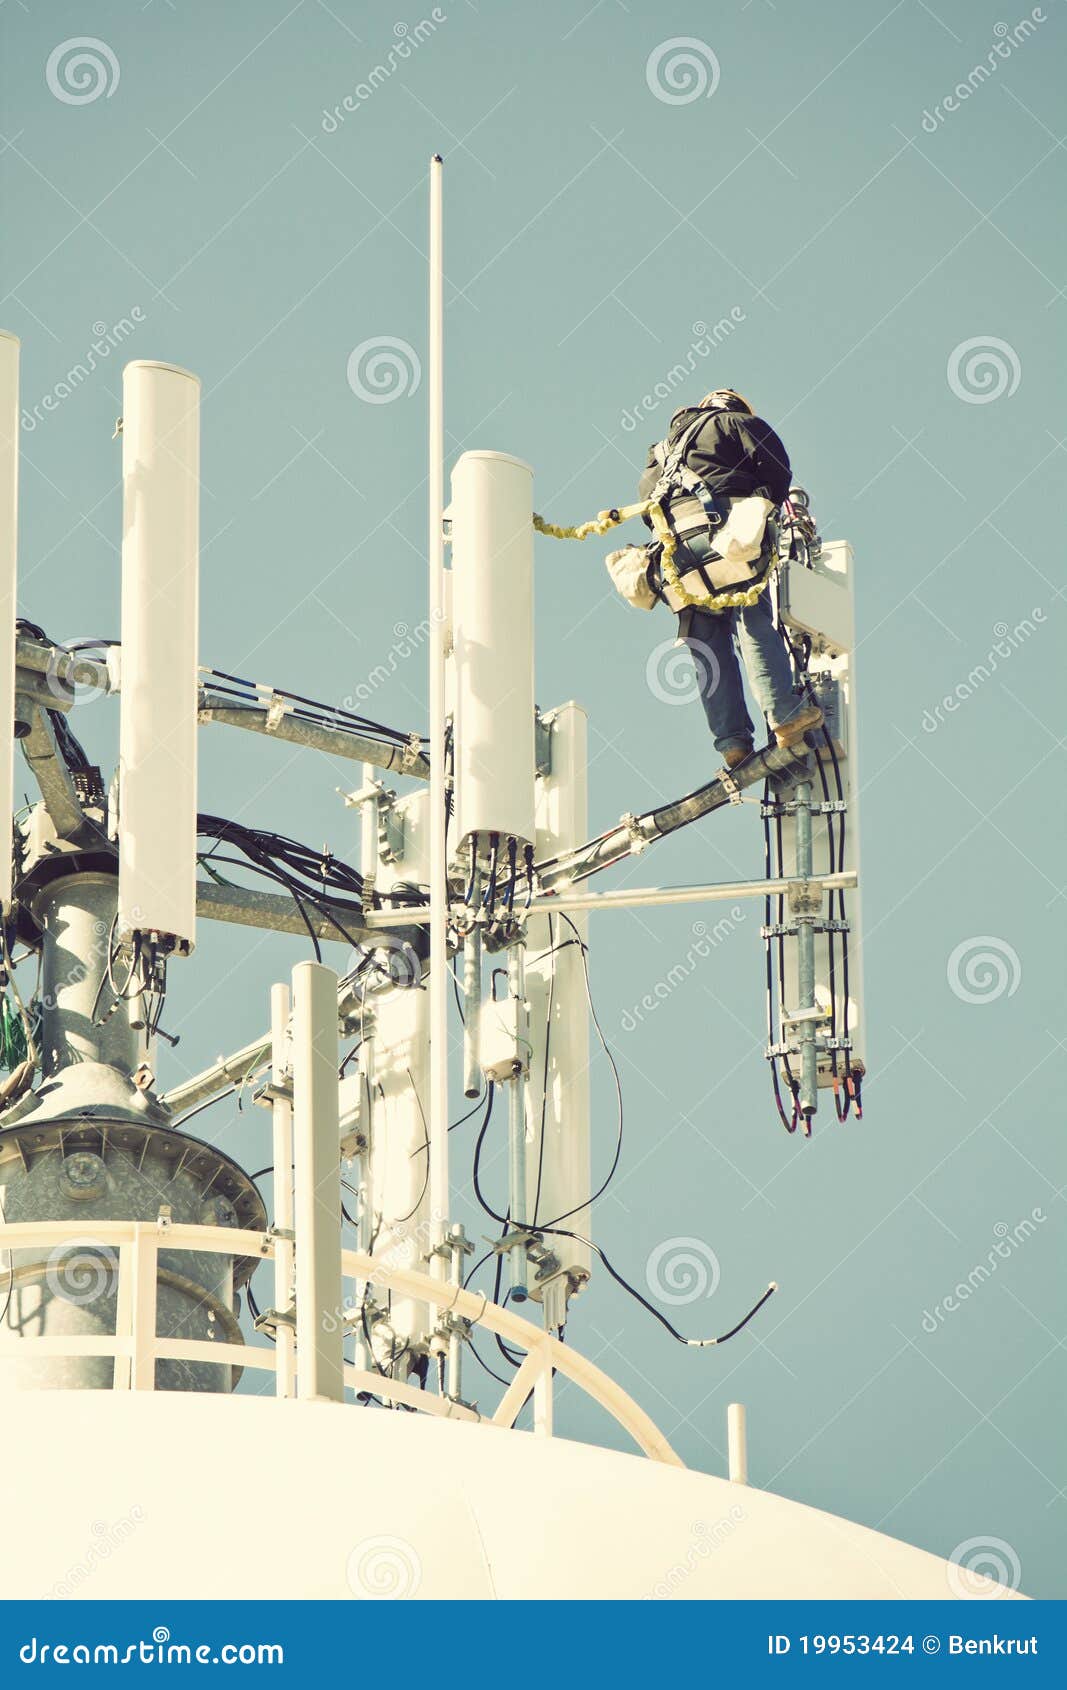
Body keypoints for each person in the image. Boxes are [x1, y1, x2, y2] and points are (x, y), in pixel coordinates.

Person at [631, 389, 822, 769]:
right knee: (752, 622)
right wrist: (761, 508)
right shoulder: (735, 422)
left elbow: (645, 505)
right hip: (725, 541)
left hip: (676, 560)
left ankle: (732, 743)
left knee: (707, 647)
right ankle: (785, 716)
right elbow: (777, 471)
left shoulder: (660, 455)